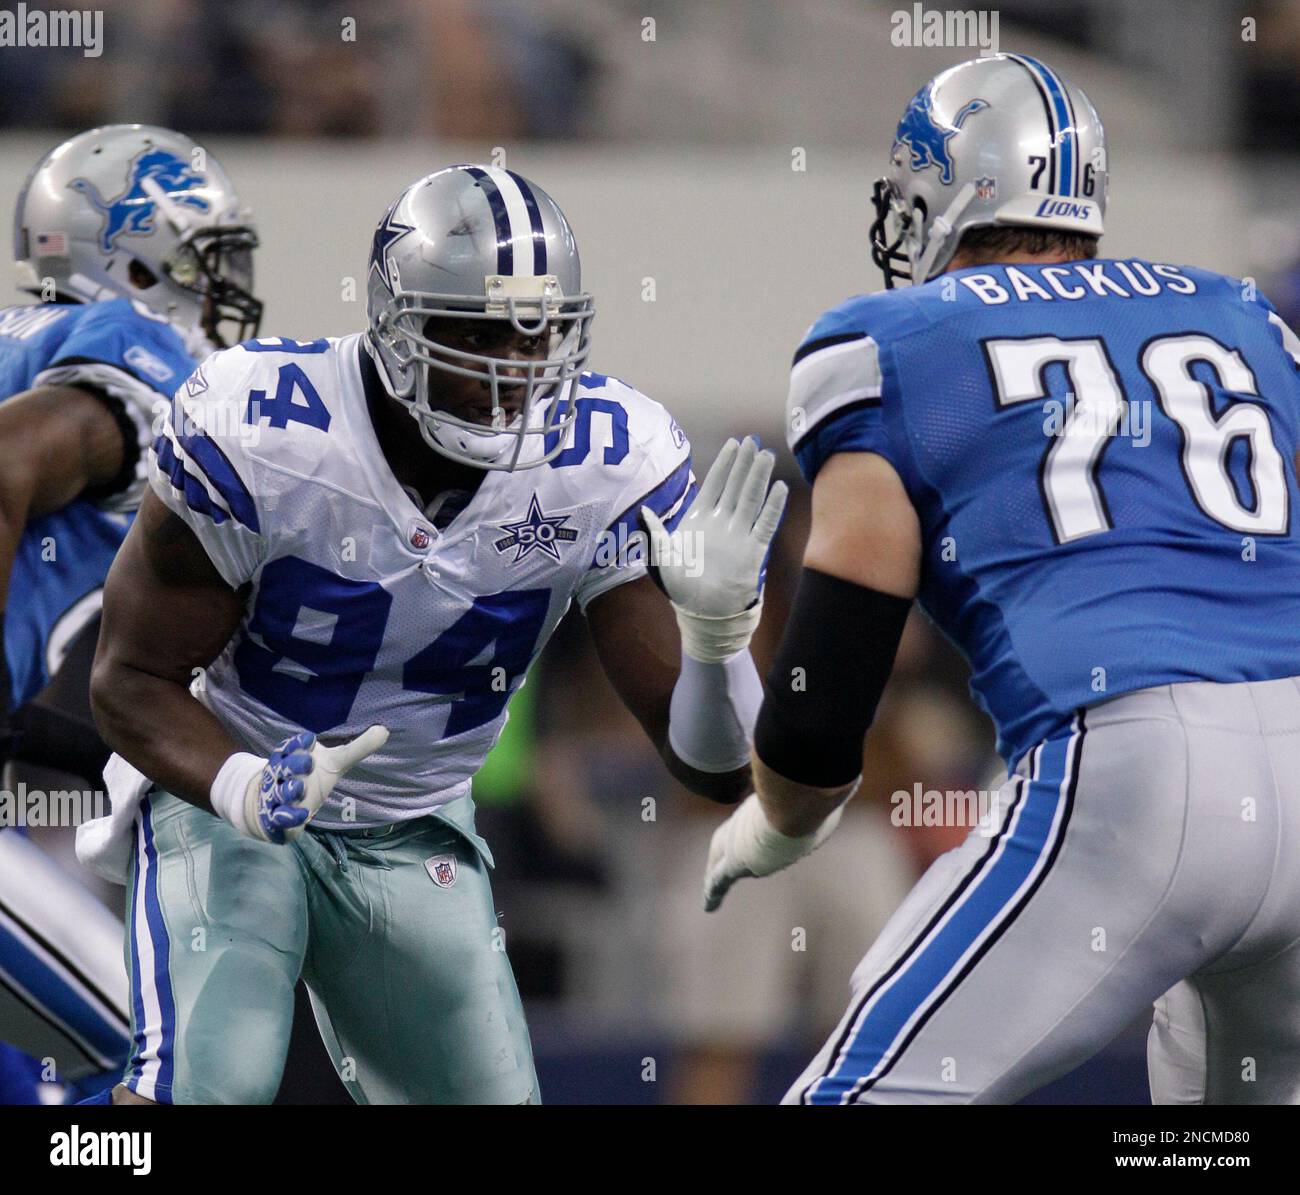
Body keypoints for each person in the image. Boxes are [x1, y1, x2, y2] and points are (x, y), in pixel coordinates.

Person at [80, 163, 786, 1105]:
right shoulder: (261, 424)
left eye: (537, 336)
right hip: (228, 790)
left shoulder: (607, 458)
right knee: (209, 1084)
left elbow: (715, 769)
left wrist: (716, 639)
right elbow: (127, 681)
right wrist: (248, 784)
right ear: (395, 326)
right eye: (479, 335)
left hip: (415, 824)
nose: (512, 370)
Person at [704, 54, 1300, 1105]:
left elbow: (819, 712)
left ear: (951, 188)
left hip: (1137, 767)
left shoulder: (886, 344)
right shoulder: (1246, 317)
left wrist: (769, 821)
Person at [0, 124, 260, 1102]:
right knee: (158, 1054)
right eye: (207, 259)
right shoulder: (132, 347)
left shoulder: (17, 345)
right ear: (137, 258)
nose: (227, 288)